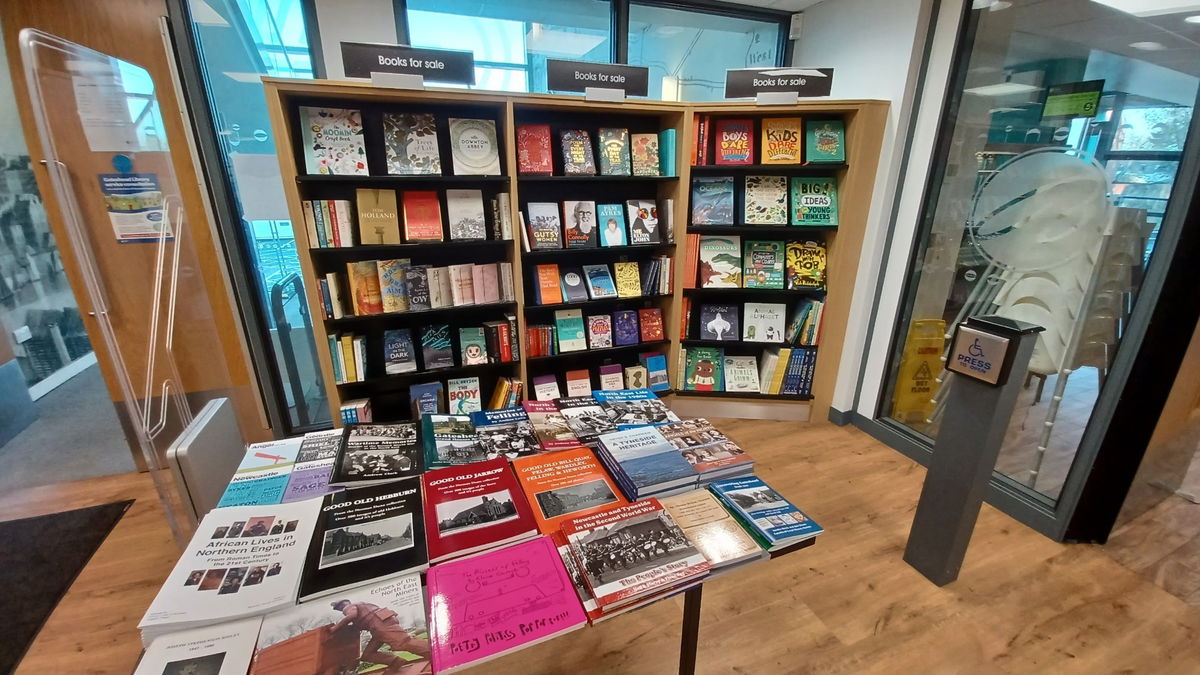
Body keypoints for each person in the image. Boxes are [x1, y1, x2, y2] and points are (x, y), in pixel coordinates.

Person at [329, 599, 431, 674]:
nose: (341, 611)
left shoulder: (348, 607)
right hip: (378, 628)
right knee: (367, 655)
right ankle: (396, 662)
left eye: (338, 609)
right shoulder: (363, 605)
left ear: (341, 606)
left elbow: (351, 615)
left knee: (402, 642)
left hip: (380, 625)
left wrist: (335, 628)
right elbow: (361, 620)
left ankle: (431, 653)